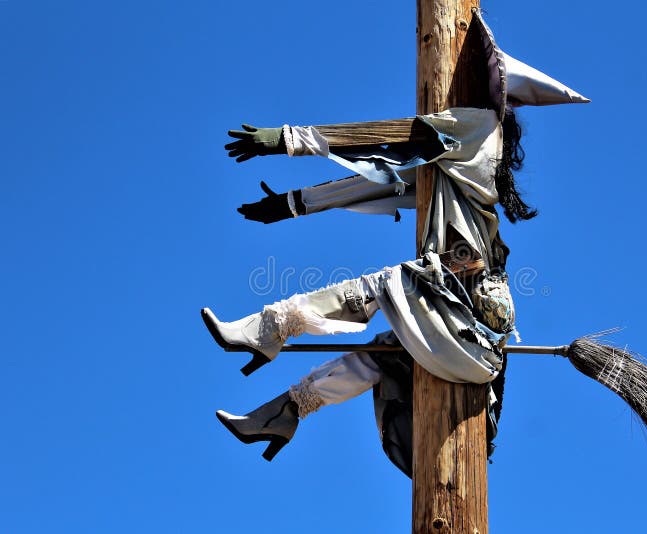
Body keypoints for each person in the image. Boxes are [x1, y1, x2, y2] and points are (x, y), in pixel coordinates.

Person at [204, 11, 589, 474]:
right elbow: (387, 179)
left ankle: (266, 329)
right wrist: (293, 203)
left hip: (469, 320)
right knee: (383, 353)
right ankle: (283, 414)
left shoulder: (477, 126)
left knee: (393, 283)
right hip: (463, 329)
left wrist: (291, 139)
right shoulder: (454, 160)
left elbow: (395, 138)